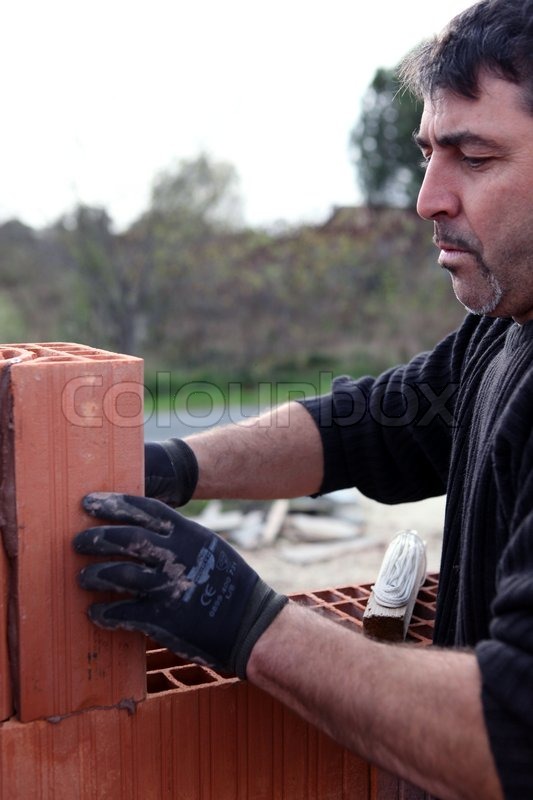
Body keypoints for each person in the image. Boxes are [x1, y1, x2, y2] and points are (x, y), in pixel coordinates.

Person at [73, 2, 533, 798]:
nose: (427, 197)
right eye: (427, 153)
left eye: (475, 156)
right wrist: (168, 466)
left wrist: (243, 619)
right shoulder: (506, 325)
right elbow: (361, 427)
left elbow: (514, 737)